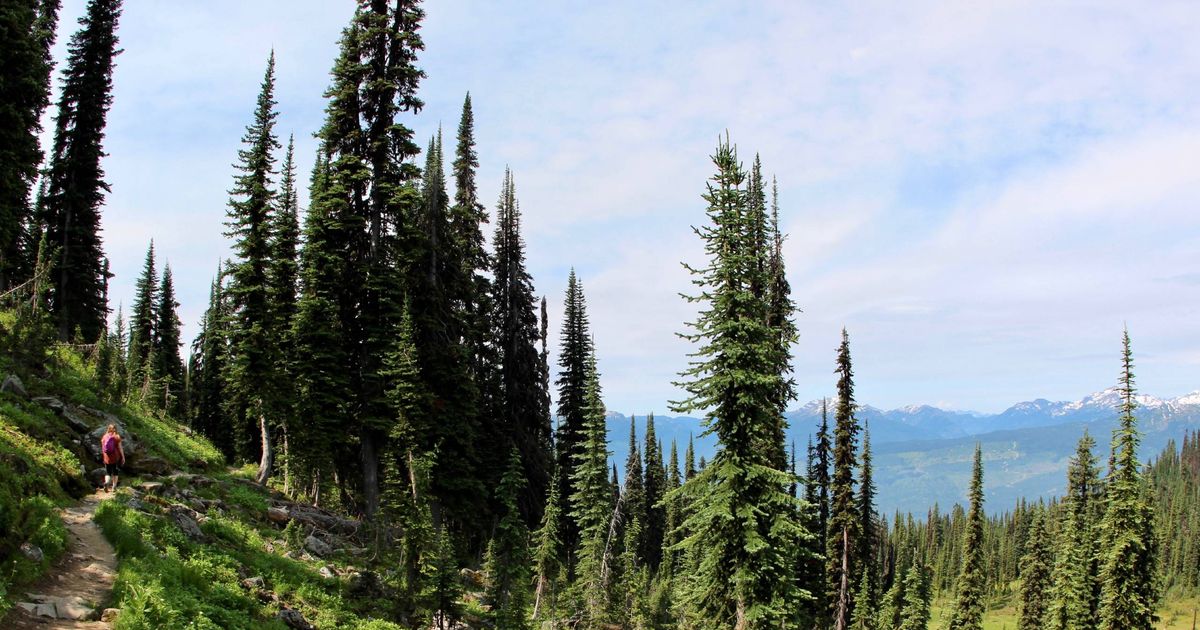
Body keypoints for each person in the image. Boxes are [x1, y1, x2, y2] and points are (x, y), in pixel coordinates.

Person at [101, 424, 125, 492]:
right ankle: (114, 487)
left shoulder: (104, 436)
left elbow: (103, 448)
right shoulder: (117, 437)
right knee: (115, 472)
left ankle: (107, 483)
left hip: (106, 458)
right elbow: (120, 448)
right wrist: (123, 457)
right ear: (115, 429)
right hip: (115, 458)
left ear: (108, 428)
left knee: (108, 472)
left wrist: (104, 457)